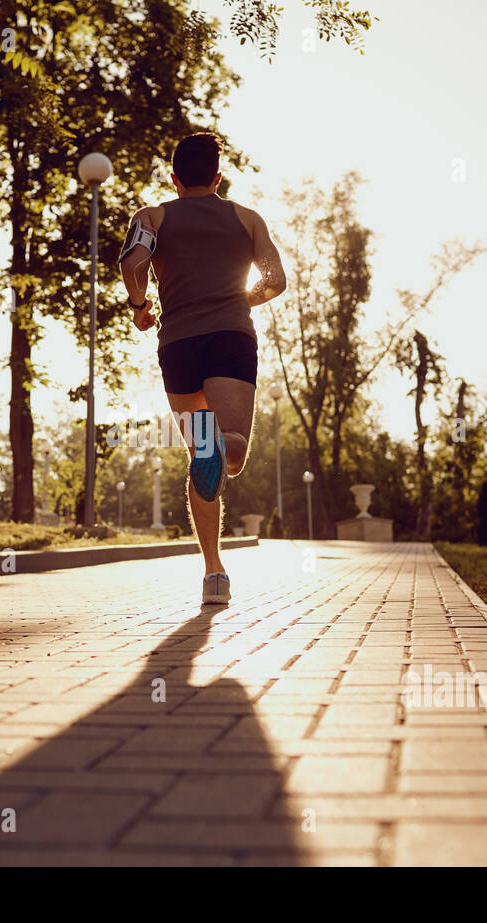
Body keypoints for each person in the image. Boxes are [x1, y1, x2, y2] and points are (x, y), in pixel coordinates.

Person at [117, 132, 287, 605]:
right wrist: (239, 297)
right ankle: (223, 447)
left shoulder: (152, 216)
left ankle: (214, 573)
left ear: (173, 178)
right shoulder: (247, 218)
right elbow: (276, 281)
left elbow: (132, 261)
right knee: (231, 455)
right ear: (217, 177)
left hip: (178, 344)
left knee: (201, 454)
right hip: (231, 337)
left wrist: (139, 305)